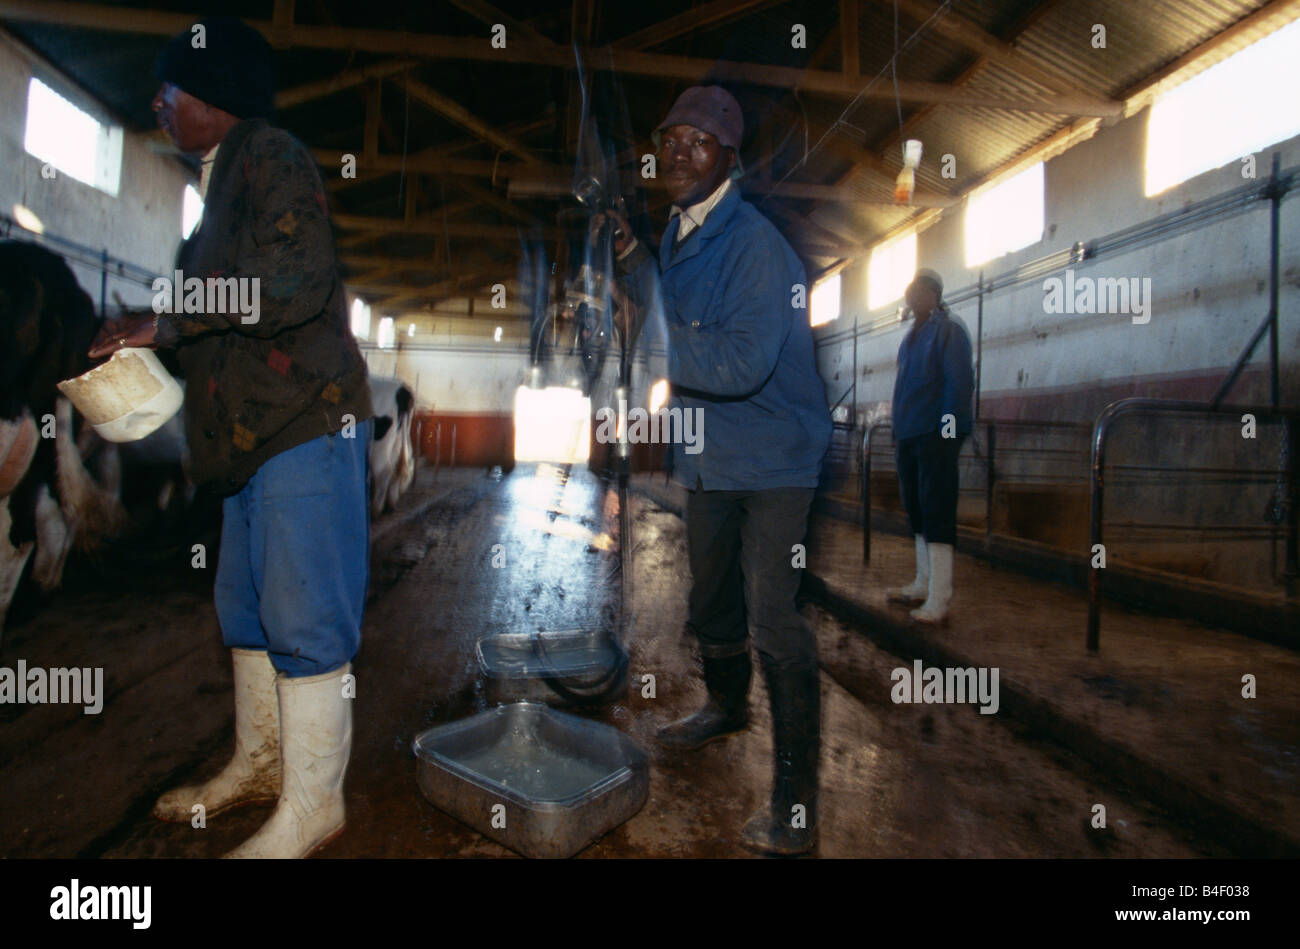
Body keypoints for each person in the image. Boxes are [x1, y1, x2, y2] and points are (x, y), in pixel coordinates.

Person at [89, 16, 374, 858]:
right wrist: (145, 358)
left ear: (216, 99)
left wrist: (162, 318)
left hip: (303, 424)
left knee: (303, 612)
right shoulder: (212, 197)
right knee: (246, 606)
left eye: (172, 86)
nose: (159, 101)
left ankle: (315, 802)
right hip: (246, 443)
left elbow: (290, 284)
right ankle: (260, 762)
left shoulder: (271, 156)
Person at [599, 86, 832, 856]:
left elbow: (736, 363)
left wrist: (651, 345)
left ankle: (796, 803)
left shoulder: (759, 248)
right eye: (670, 138)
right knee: (710, 598)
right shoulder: (678, 230)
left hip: (774, 454)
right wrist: (634, 258)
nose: (678, 152)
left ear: (730, 158)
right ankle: (728, 707)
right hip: (711, 449)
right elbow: (666, 309)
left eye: (699, 143)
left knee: (773, 615)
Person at [885, 269, 974, 625]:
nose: (912, 295)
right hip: (909, 433)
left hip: (936, 434)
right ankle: (923, 582)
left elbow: (959, 382)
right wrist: (897, 429)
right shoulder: (911, 337)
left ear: (934, 294)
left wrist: (947, 434)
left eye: (919, 290)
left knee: (937, 509)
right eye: (910, 290)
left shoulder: (950, 330)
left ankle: (940, 595)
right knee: (917, 508)